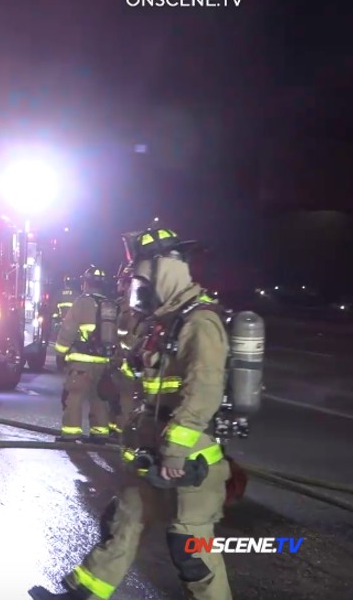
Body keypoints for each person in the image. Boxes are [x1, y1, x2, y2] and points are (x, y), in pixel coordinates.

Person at [30, 226, 233, 600]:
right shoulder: (164, 321)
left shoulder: (200, 322)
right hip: (151, 449)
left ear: (163, 271)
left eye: (141, 277)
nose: (137, 287)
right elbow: (144, 380)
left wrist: (175, 451)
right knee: (121, 524)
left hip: (190, 458)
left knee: (191, 550)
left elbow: (203, 391)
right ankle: (81, 595)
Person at [53, 265, 120, 443]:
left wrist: (60, 353)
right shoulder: (110, 305)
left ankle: (71, 434)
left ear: (86, 283)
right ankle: (100, 434)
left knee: (74, 396)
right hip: (104, 361)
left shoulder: (82, 302)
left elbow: (67, 330)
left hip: (81, 362)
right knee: (99, 398)